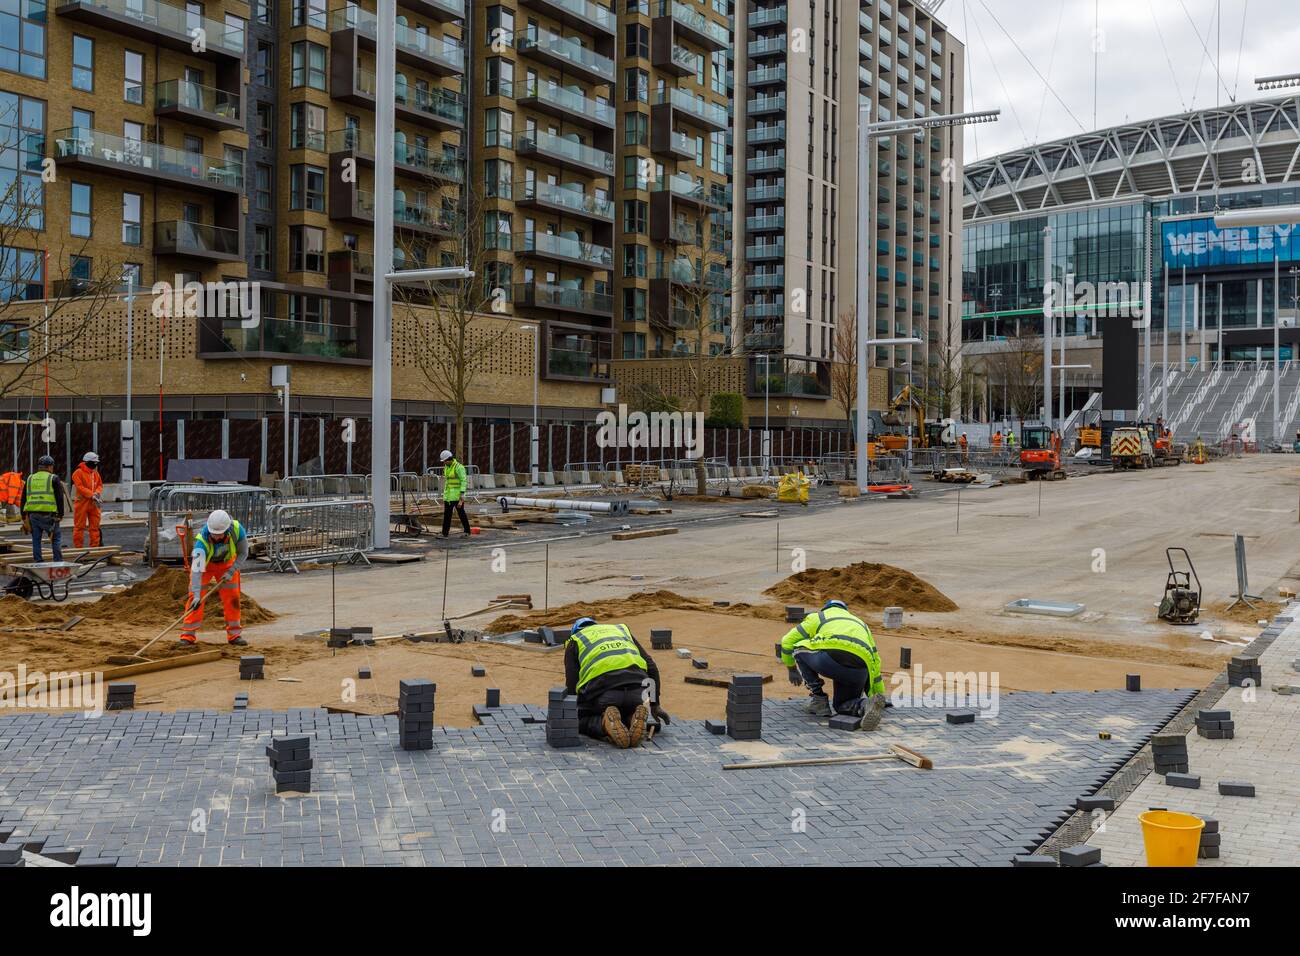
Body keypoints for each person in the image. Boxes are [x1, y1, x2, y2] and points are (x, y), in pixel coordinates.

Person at [780, 599, 886, 730]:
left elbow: (786, 641)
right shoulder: (861, 624)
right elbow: (876, 663)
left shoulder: (818, 617)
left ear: (826, 608)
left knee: (797, 648)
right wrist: (878, 695)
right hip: (860, 668)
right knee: (842, 705)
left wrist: (791, 668)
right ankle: (865, 705)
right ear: (845, 611)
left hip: (831, 660)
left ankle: (818, 700)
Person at [565, 617, 670, 748]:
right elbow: (651, 666)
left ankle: (604, 724)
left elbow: (571, 684)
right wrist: (655, 705)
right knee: (626, 709)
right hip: (637, 692)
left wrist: (571, 713)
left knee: (580, 720)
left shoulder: (575, 640)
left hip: (605, 695)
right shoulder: (622, 630)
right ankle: (632, 718)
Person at [180, 509, 249, 647]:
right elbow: (197, 571)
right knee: (195, 598)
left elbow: (243, 553)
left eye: (219, 534)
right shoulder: (201, 543)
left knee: (232, 597)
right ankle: (187, 636)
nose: (216, 537)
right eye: (214, 534)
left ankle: (234, 635)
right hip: (206, 566)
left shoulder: (237, 530)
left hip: (228, 564)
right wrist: (197, 595)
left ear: (227, 529)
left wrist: (231, 571)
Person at [21, 455, 65, 563]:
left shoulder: (30, 478)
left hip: (33, 515)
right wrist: (60, 514)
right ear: (50, 467)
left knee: (36, 540)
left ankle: (38, 561)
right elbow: (59, 498)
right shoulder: (53, 478)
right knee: (55, 538)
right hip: (49, 515)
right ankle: (58, 562)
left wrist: (23, 515)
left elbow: (23, 498)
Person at [72, 451, 104, 548]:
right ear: (87, 462)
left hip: (93, 503)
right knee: (79, 527)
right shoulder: (78, 473)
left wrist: (97, 493)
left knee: (95, 527)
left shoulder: (95, 473)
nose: (95, 465)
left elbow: (99, 485)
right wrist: (91, 495)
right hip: (82, 503)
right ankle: (78, 548)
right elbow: (80, 487)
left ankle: (94, 547)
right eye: (94, 463)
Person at [439, 449, 470, 538]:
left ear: (449, 459)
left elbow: (463, 481)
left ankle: (467, 531)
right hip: (448, 496)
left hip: (457, 496)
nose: (444, 463)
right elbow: (448, 481)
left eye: (444, 461)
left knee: (461, 514)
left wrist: (462, 496)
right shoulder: (447, 467)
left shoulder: (459, 467)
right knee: (447, 515)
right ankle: (444, 533)